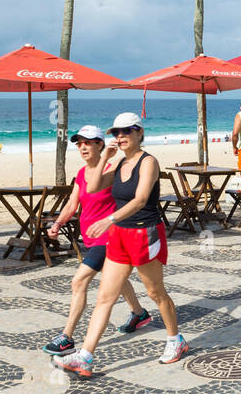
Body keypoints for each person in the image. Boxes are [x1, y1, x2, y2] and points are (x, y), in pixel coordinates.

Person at [54, 113, 186, 378]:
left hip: (144, 232)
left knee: (155, 292)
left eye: (127, 131)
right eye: (116, 132)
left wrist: (108, 220)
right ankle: (85, 357)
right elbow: (91, 187)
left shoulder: (148, 162)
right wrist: (105, 157)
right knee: (105, 297)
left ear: (140, 133)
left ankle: (175, 339)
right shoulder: (118, 165)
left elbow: (140, 199)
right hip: (120, 235)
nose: (121, 136)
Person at [41, 125, 152, 356]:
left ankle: (67, 337)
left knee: (79, 281)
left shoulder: (114, 171)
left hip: (109, 237)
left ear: (101, 144)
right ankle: (139, 313)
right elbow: (73, 203)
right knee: (117, 280)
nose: (82, 147)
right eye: (79, 143)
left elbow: (126, 195)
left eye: (88, 142)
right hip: (90, 239)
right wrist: (58, 223)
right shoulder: (81, 174)